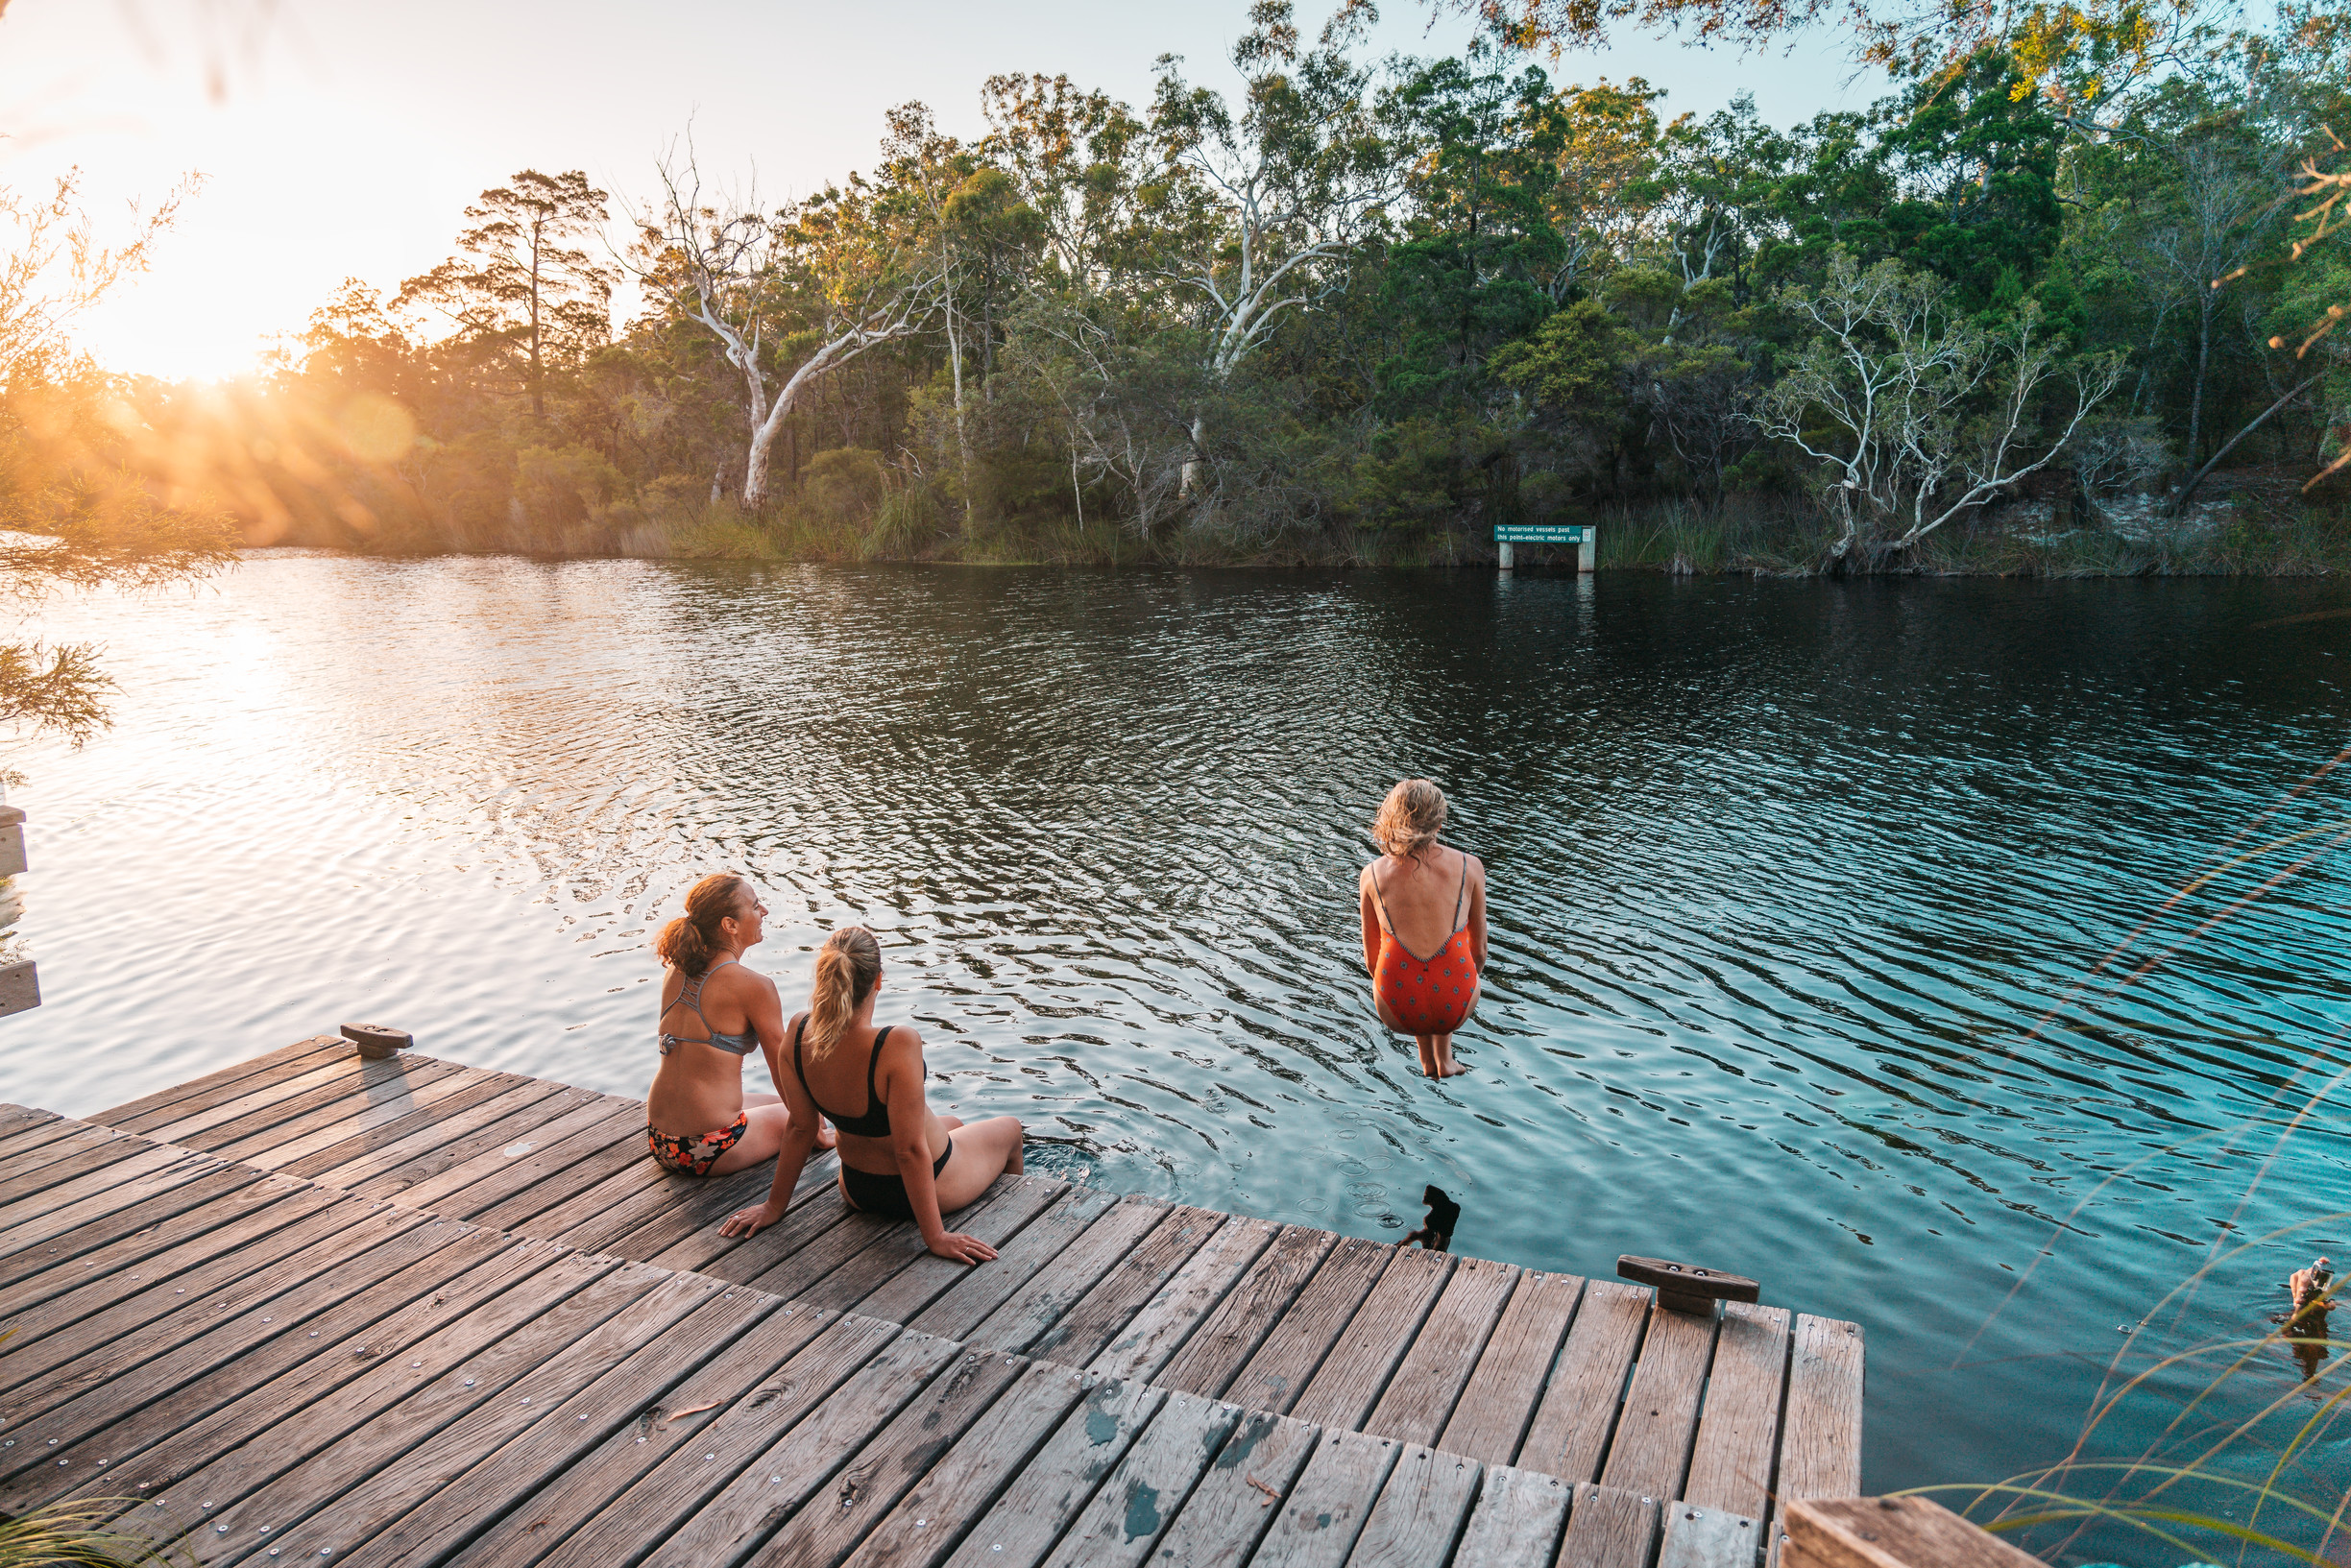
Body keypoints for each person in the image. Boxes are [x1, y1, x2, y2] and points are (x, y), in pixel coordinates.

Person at [719, 926, 1025, 1263]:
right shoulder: (896, 1042)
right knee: (1010, 1129)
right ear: (878, 980)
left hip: (858, 1189)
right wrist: (935, 1237)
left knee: (951, 1121)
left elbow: (801, 1128)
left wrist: (774, 1206)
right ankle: (1015, 1219)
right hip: (930, 1192)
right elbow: (909, 1151)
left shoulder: (799, 1031)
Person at [645, 873, 834, 1177]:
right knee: (812, 1119)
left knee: (784, 1106)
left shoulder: (678, 969)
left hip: (661, 1141)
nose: (764, 912)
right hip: (709, 1147)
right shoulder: (754, 987)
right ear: (730, 925)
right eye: (756, 906)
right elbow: (782, 1067)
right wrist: (816, 1133)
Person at [1360, 778, 1488, 1078]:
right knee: (1448, 958)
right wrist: (1456, 981)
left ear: (1391, 820)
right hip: (1455, 1002)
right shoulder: (1470, 866)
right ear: (1439, 822)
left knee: (1408, 959)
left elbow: (1371, 962)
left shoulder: (1372, 875)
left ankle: (1427, 1060)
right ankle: (1445, 1059)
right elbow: (1479, 954)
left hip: (1395, 1005)